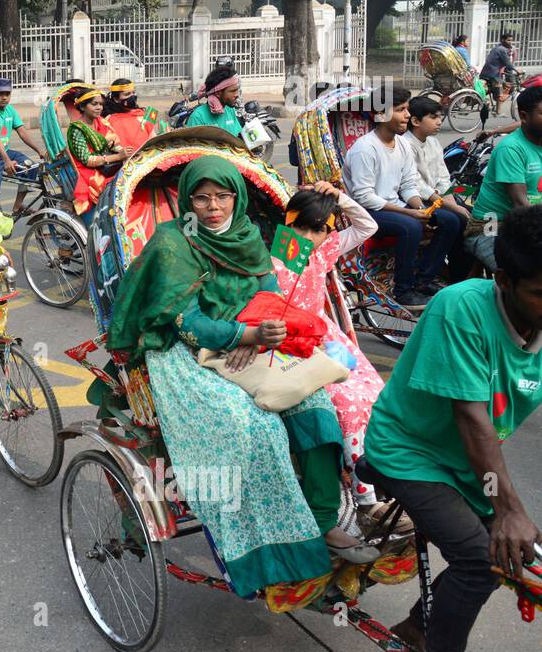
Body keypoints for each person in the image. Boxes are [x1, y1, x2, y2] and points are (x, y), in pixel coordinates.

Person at [107, 156, 373, 600]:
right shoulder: (173, 242)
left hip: (252, 338)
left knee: (317, 407)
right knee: (255, 427)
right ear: (188, 200)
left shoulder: (247, 234)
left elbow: (269, 290)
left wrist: (259, 327)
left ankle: (322, 522)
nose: (213, 207)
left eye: (223, 196)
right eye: (202, 198)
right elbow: (184, 320)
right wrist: (242, 334)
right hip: (184, 351)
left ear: (237, 197)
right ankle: (270, 551)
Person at [363, 205, 542, 652]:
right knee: (481, 562)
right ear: (503, 280)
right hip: (410, 451)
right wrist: (509, 510)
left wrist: (510, 515)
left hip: (469, 462)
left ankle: (418, 627)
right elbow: (471, 418)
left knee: (508, 553)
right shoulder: (460, 307)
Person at [274, 183, 391, 523]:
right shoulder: (279, 257)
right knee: (348, 404)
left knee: (377, 396)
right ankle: (366, 499)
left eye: (318, 229)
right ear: (288, 223)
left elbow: (368, 226)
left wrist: (340, 198)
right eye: (301, 227)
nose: (309, 237)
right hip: (294, 344)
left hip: (327, 337)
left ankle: (383, 477)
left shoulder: (324, 250)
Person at [342, 88, 461, 308]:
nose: (407, 115)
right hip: (367, 212)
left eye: (407, 109)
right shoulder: (365, 149)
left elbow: (408, 185)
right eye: (400, 110)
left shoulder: (403, 144)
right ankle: (403, 290)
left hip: (394, 206)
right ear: (381, 115)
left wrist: (421, 209)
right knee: (410, 226)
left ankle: (424, 279)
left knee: (450, 220)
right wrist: (409, 213)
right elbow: (364, 197)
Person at [464, 85, 542, 272]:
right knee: (527, 274)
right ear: (524, 116)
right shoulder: (511, 149)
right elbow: (521, 205)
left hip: (528, 225)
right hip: (492, 227)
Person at [403, 95, 472, 245]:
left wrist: (453, 204)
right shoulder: (405, 145)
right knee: (457, 220)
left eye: (440, 117)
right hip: (417, 202)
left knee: (474, 214)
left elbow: (443, 178)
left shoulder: (433, 142)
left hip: (438, 198)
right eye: (434, 117)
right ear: (415, 121)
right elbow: (416, 184)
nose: (439, 122)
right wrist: (452, 207)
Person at [0, 77, 45, 213]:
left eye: (7, 94)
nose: (4, 97)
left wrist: (39, 150)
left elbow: (22, 132)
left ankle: (17, 206)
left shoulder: (10, 110)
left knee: (31, 168)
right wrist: (7, 161)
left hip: (4, 152)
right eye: (0, 94)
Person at [65, 86, 124, 223]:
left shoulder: (102, 122)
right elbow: (87, 160)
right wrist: (117, 157)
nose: (99, 108)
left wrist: (123, 152)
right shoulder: (76, 129)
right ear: (82, 107)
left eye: (101, 104)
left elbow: (114, 142)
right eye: (94, 104)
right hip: (87, 171)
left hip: (105, 166)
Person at [103, 78, 167, 156]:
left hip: (149, 156)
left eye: (133, 93)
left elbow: (153, 138)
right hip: (126, 159)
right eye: (127, 94)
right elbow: (113, 145)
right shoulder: (109, 119)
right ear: (116, 99)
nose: (132, 96)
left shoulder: (146, 113)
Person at [186, 69, 243, 136]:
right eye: (233, 91)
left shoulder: (230, 110)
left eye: (237, 90)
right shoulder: (198, 117)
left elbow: (237, 136)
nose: (237, 95)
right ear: (218, 93)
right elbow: (192, 142)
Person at [480, 32, 518, 122]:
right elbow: (508, 63)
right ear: (502, 40)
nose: (510, 42)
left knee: (488, 90)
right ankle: (498, 112)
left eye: (511, 40)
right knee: (500, 92)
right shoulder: (502, 50)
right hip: (493, 74)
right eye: (508, 40)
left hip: (487, 72)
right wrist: (517, 71)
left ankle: (488, 104)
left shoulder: (497, 48)